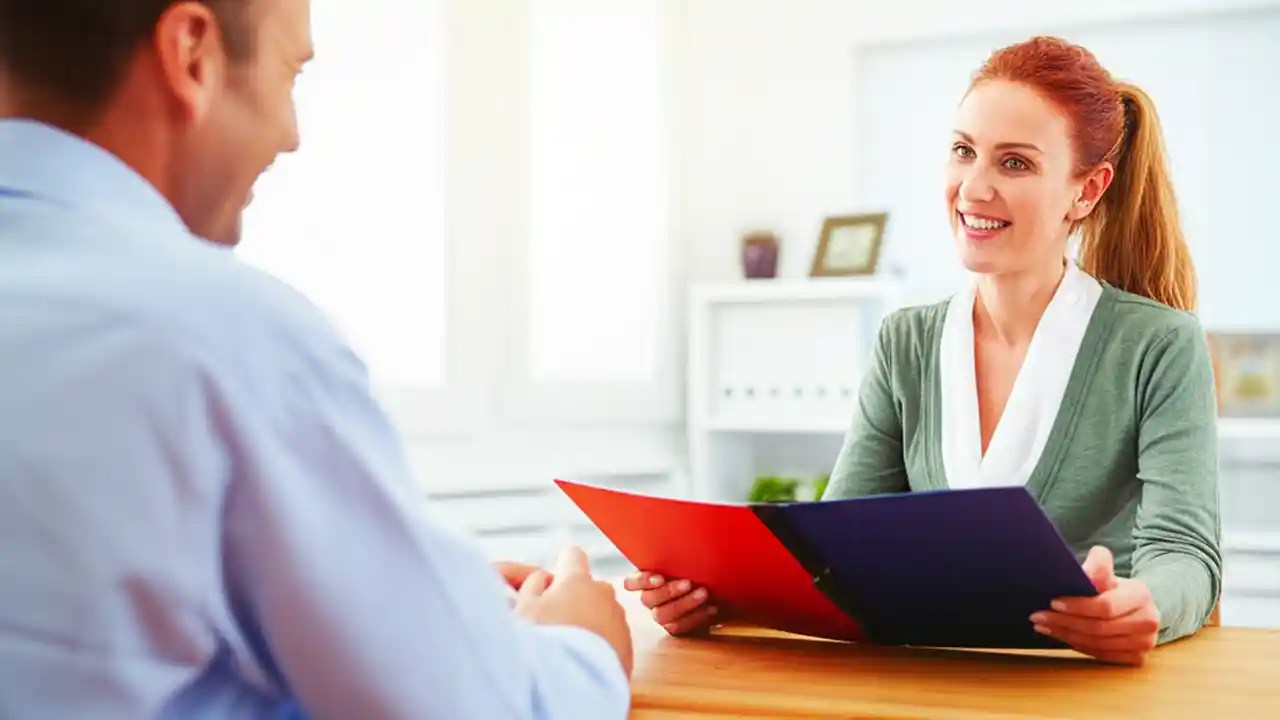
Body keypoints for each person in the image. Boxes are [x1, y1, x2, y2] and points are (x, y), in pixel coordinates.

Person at [0, 1, 631, 717]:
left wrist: (409, 604)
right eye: (290, 74)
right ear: (191, 52)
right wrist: (582, 646)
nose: (291, 136)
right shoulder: (224, 333)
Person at [629, 35, 1221, 667]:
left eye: (1014, 163)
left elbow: (1185, 552)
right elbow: (837, 544)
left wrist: (1144, 604)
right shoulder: (905, 342)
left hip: (1083, 683)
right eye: (964, 152)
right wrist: (718, 598)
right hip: (928, 677)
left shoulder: (1158, 344)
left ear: (1087, 190)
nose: (973, 188)